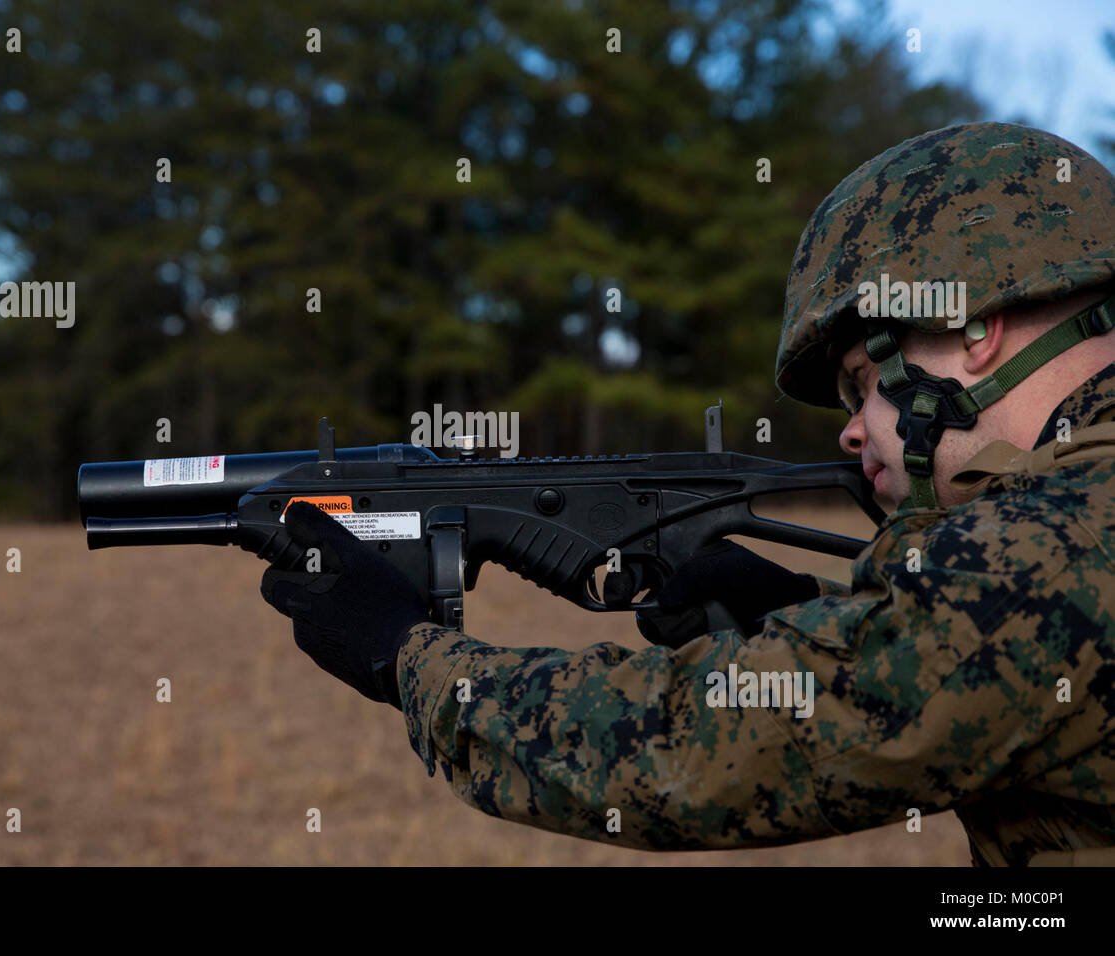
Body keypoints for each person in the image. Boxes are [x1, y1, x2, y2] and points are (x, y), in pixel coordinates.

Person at [261, 122, 1115, 866]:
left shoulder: (1051, 544)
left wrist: (407, 658)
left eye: (864, 384)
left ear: (973, 329)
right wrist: (814, 615)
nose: (853, 432)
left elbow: (698, 756)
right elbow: (970, 681)